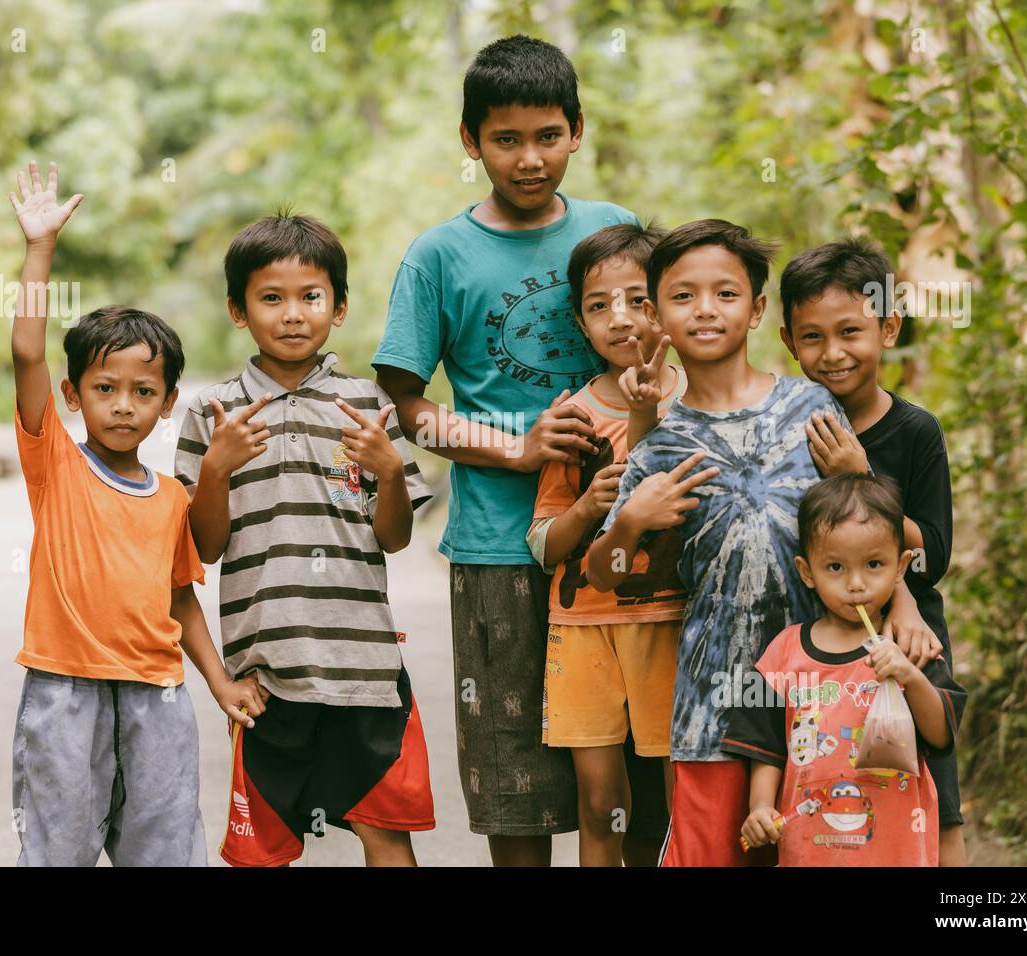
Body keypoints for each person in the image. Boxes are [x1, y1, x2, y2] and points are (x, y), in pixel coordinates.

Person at [373, 35, 641, 866]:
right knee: (511, 770)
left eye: (549, 136)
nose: (530, 159)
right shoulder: (438, 255)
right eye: (506, 139)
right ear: (470, 140)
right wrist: (517, 450)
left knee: (629, 768)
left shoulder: (614, 229)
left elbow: (662, 346)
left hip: (626, 535)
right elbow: (410, 409)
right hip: (498, 549)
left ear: (578, 130)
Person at [585, 218, 853, 866]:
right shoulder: (662, 443)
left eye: (725, 294)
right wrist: (630, 522)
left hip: (821, 695)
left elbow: (864, 531)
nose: (705, 309)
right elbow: (602, 573)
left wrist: (859, 482)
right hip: (713, 701)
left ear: (756, 309)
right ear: (655, 315)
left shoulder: (811, 408)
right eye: (684, 296)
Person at [8, 161, 250, 866]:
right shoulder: (53, 462)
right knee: (56, 850)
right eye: (104, 388)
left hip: (159, 699)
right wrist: (40, 247)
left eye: (143, 391)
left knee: (166, 849)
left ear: (168, 402)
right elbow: (25, 351)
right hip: (65, 691)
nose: (123, 405)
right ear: (72, 394)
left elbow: (181, 599)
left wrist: (219, 682)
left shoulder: (172, 496)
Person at [174, 212, 434, 867]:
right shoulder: (212, 413)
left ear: (338, 307)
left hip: (365, 670)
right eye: (271, 297)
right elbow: (203, 548)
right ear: (238, 311)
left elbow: (395, 538)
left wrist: (389, 472)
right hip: (266, 674)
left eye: (310, 296)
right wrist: (215, 470)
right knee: (262, 850)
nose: (292, 314)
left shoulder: (368, 404)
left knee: (386, 834)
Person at [778, 237, 963, 864]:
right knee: (830, 791)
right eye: (812, 337)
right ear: (788, 341)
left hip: (908, 638)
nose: (832, 353)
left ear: (888, 327)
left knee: (933, 792)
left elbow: (934, 553)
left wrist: (862, 479)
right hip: (819, 640)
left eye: (850, 331)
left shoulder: (914, 430)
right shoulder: (791, 427)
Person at [528, 223, 682, 865]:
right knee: (599, 803)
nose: (620, 319)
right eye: (599, 306)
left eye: (638, 299)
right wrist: (589, 507)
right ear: (581, 322)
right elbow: (542, 545)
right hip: (583, 626)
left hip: (673, 624)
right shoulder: (574, 416)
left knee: (682, 797)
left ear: (668, 302)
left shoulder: (701, 404)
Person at [722, 473, 966, 865]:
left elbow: (941, 735)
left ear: (901, 566)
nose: (856, 584)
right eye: (835, 567)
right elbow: (766, 746)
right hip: (809, 850)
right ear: (807, 571)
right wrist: (760, 807)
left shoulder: (910, 646)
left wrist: (909, 676)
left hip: (896, 853)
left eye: (874, 564)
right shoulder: (784, 653)